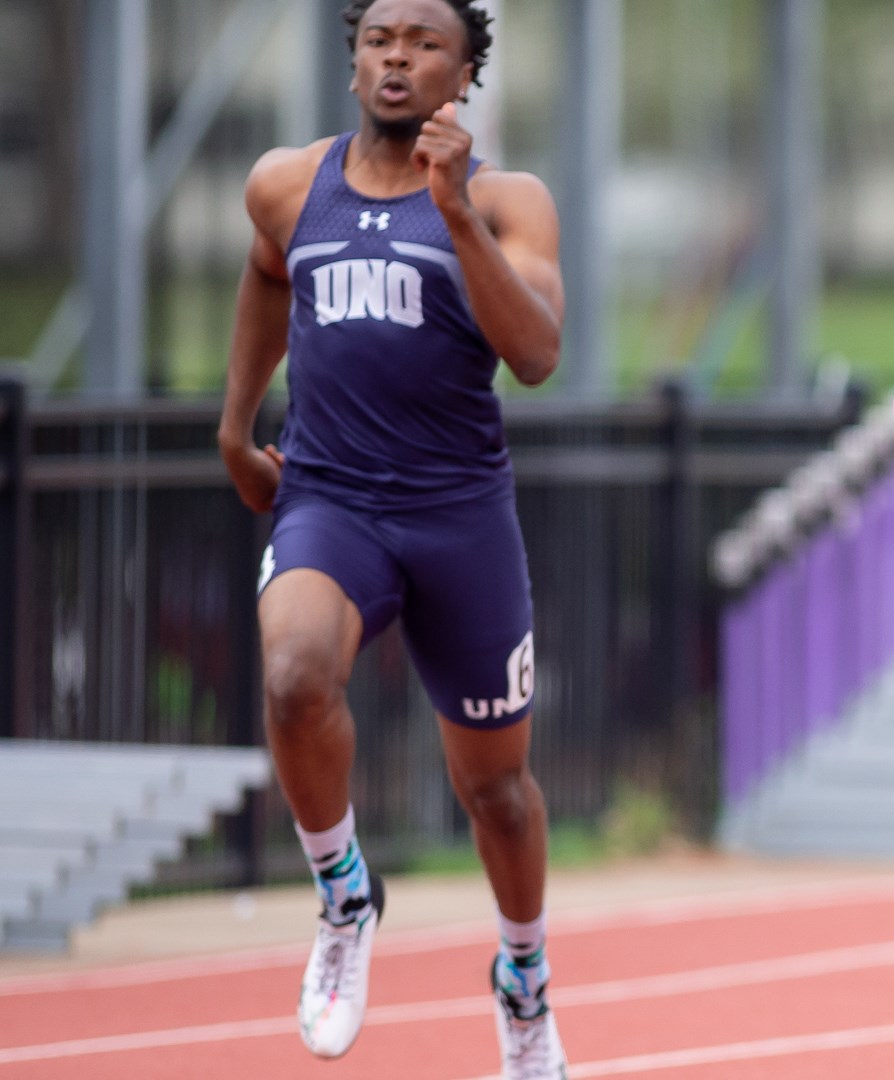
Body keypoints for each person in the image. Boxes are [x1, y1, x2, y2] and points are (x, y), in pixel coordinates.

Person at [215, 2, 566, 1075]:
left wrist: (455, 214)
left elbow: (539, 352)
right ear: (356, 57)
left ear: (464, 72)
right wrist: (236, 424)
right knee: (292, 675)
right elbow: (271, 276)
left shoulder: (508, 201)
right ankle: (343, 891)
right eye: (380, 40)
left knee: (497, 794)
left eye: (424, 44)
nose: (398, 58)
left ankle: (523, 978)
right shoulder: (288, 183)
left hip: (459, 516)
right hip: (331, 498)